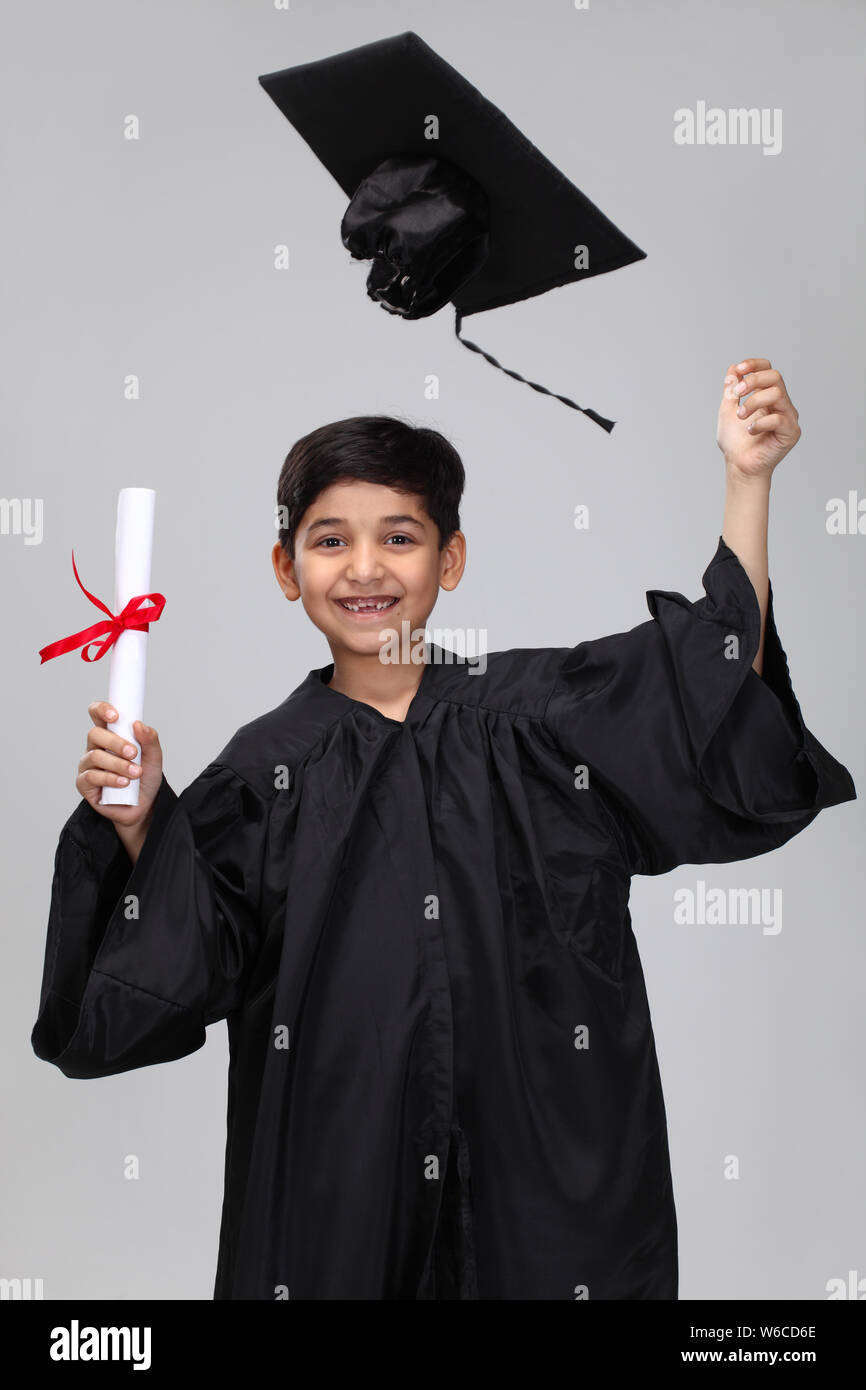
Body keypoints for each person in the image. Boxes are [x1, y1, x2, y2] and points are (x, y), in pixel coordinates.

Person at [32, 359, 856, 1299]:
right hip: (342, 1182)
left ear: (450, 560)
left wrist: (748, 481)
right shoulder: (263, 773)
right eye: (331, 540)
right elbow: (180, 969)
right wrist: (139, 827)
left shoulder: (541, 720)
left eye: (402, 537)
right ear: (286, 568)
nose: (367, 568)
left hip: (540, 1176)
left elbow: (712, 696)